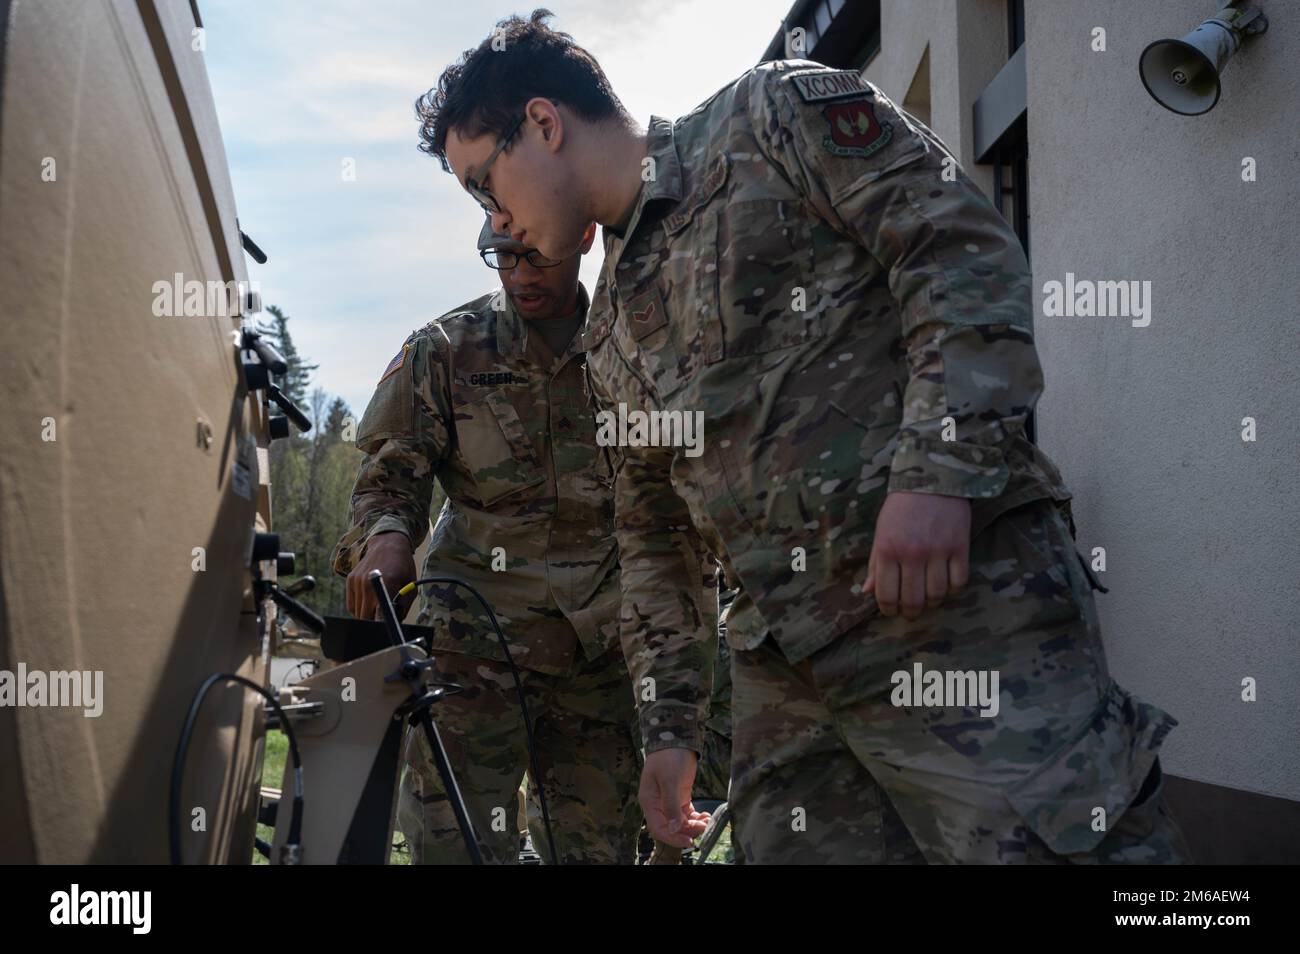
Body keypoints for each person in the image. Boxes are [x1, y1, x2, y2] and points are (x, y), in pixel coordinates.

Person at [417, 10, 1189, 864]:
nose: (494, 222)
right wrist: (669, 724)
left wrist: (937, 471)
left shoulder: (768, 120)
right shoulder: (606, 338)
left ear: (543, 123)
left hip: (955, 611)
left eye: (485, 184)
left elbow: (955, 252)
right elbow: (653, 538)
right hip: (786, 681)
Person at [330, 217, 645, 864]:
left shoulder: (634, 344)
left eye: (536, 254)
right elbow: (391, 471)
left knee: (599, 851)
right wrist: (386, 539)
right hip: (472, 652)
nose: (520, 274)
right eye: (501, 256)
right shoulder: (445, 349)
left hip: (599, 655)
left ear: (585, 236)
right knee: (455, 846)